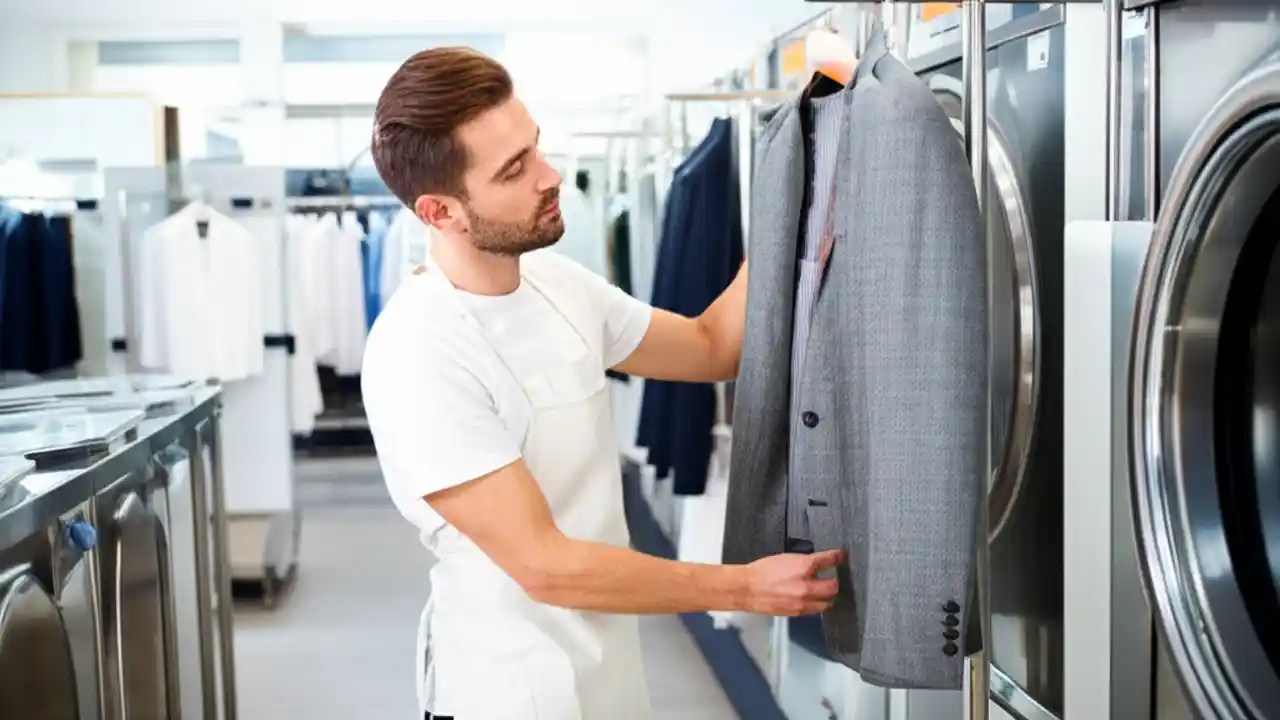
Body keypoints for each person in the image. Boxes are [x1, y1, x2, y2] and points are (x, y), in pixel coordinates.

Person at [361, 47, 843, 720]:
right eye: (515, 169)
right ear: (441, 213)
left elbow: (710, 346)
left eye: (536, 148)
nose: (550, 176)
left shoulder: (556, 284)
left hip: (607, 674)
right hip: (507, 691)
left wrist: (797, 215)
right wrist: (740, 588)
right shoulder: (420, 351)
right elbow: (544, 564)